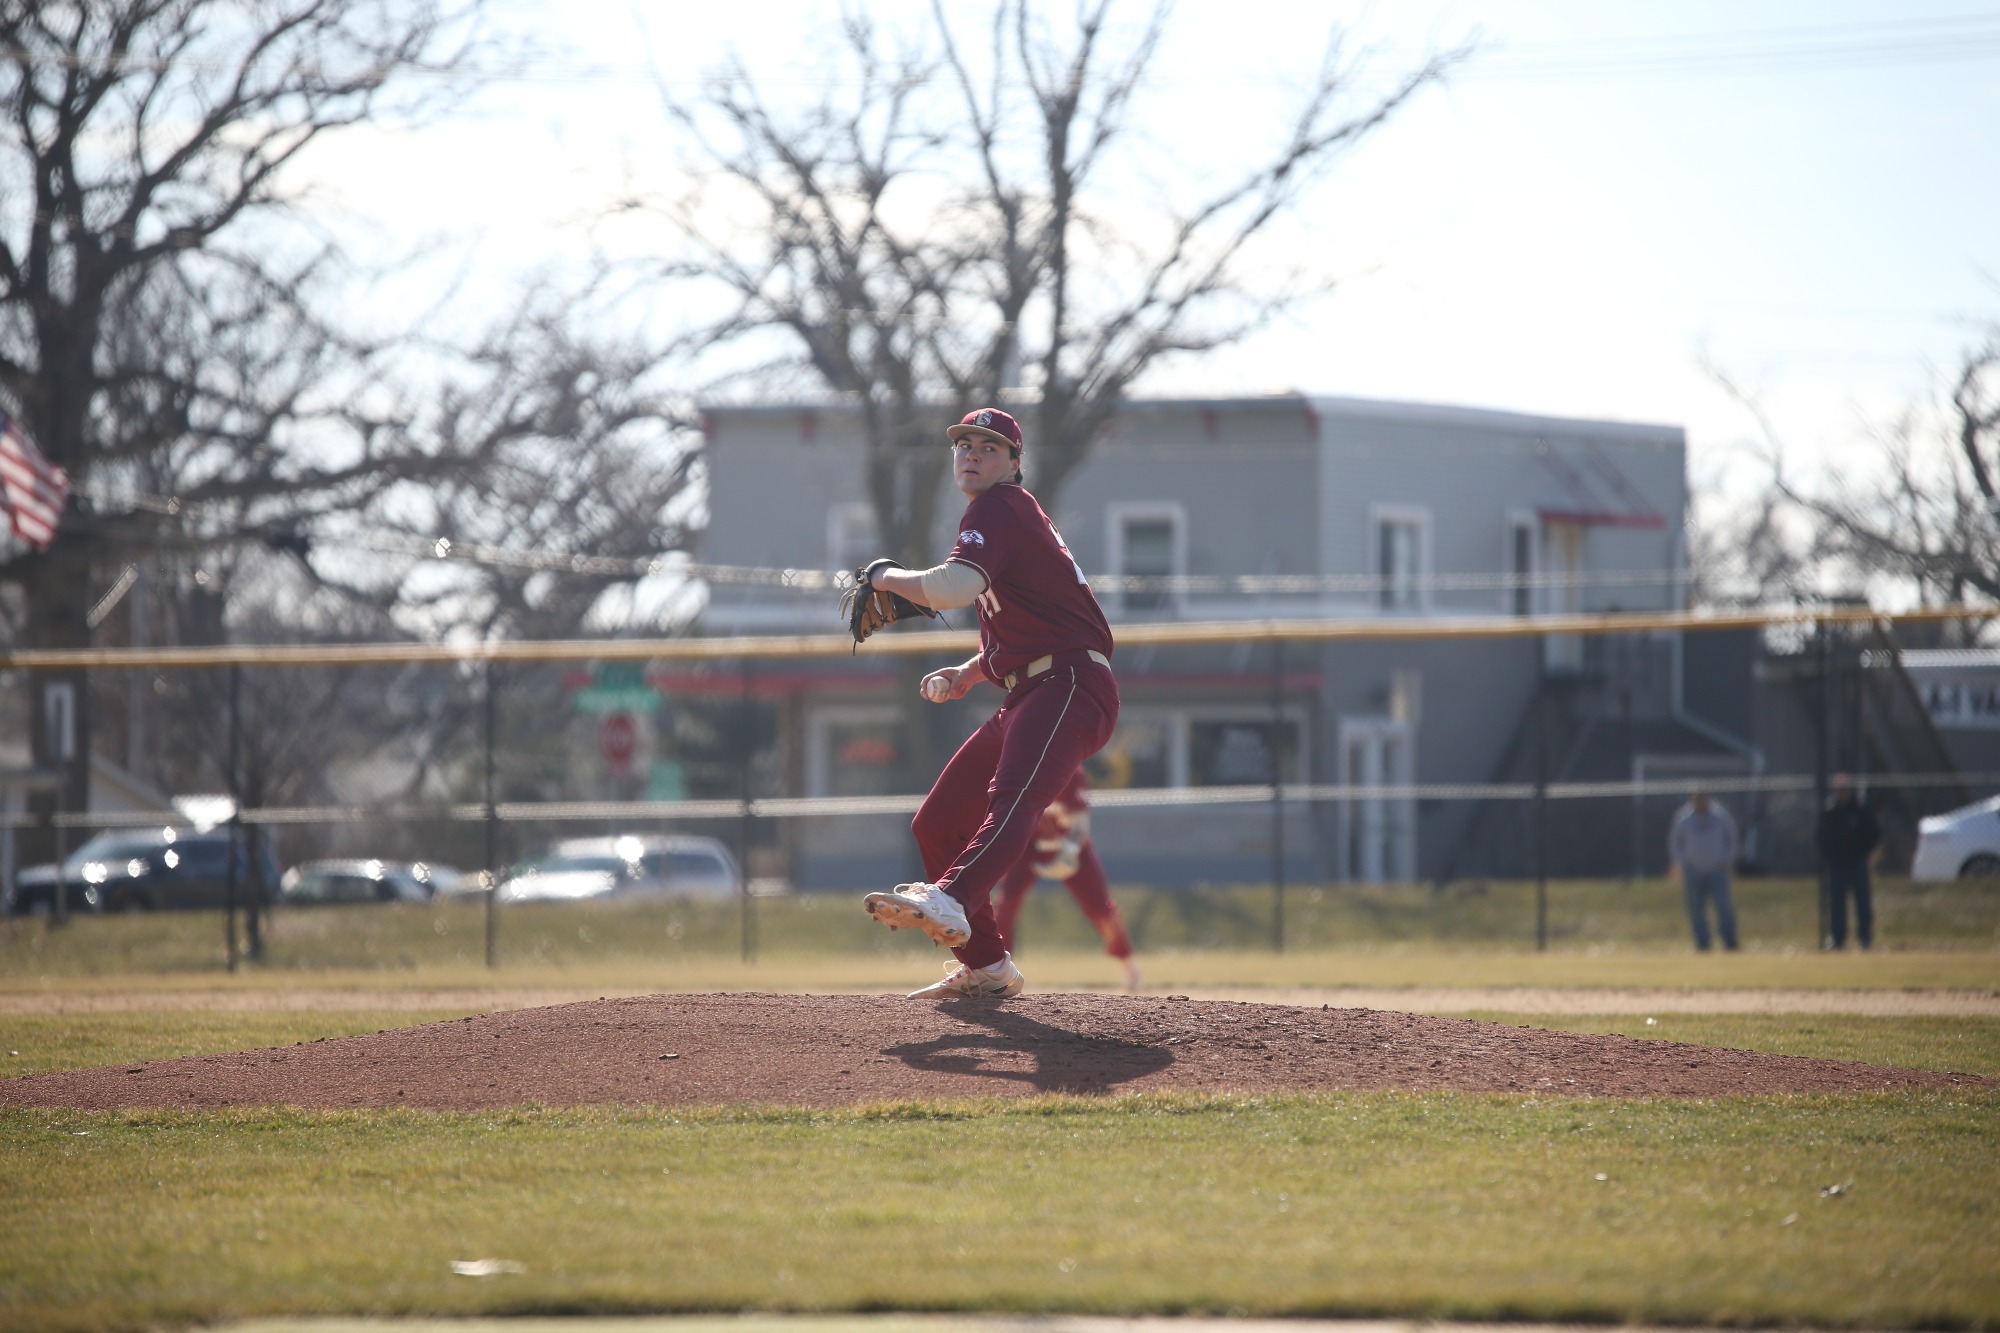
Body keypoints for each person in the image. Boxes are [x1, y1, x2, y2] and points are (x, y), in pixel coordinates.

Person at [859, 407, 1119, 999]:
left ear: (1014, 464)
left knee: (1012, 801)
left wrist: (886, 577)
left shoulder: (999, 507)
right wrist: (969, 672)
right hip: (1034, 688)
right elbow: (1030, 626)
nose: (972, 453)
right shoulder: (1004, 518)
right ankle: (987, 968)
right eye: (964, 445)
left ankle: (951, 897)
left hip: (1070, 687)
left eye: (989, 446)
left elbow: (956, 586)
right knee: (938, 822)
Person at [990, 766, 1141, 992]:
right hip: (1029, 847)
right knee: (1007, 902)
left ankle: (1129, 967)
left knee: (1101, 908)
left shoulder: (1070, 772)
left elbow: (1080, 827)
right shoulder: (1018, 768)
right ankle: (995, 970)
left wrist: (1068, 854)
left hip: (1070, 846)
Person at [1668, 788, 1739, 951]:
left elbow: (1732, 838)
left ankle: (1730, 942)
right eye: (1697, 798)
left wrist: (1727, 860)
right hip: (1693, 872)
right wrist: (1683, 862)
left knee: (1723, 906)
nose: (1700, 802)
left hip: (1717, 870)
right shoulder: (1684, 818)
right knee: (1696, 910)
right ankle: (1702, 944)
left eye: (1703, 798)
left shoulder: (1720, 817)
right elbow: (1675, 842)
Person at [1818, 772, 1880, 950]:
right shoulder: (1830, 812)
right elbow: (1821, 838)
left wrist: (1865, 854)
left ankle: (1864, 938)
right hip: (1837, 864)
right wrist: (1830, 856)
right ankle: (1838, 938)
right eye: (1839, 789)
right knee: (1837, 904)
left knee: (1862, 902)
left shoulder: (1860, 811)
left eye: (1845, 789)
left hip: (1858, 863)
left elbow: (1873, 835)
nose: (1842, 792)